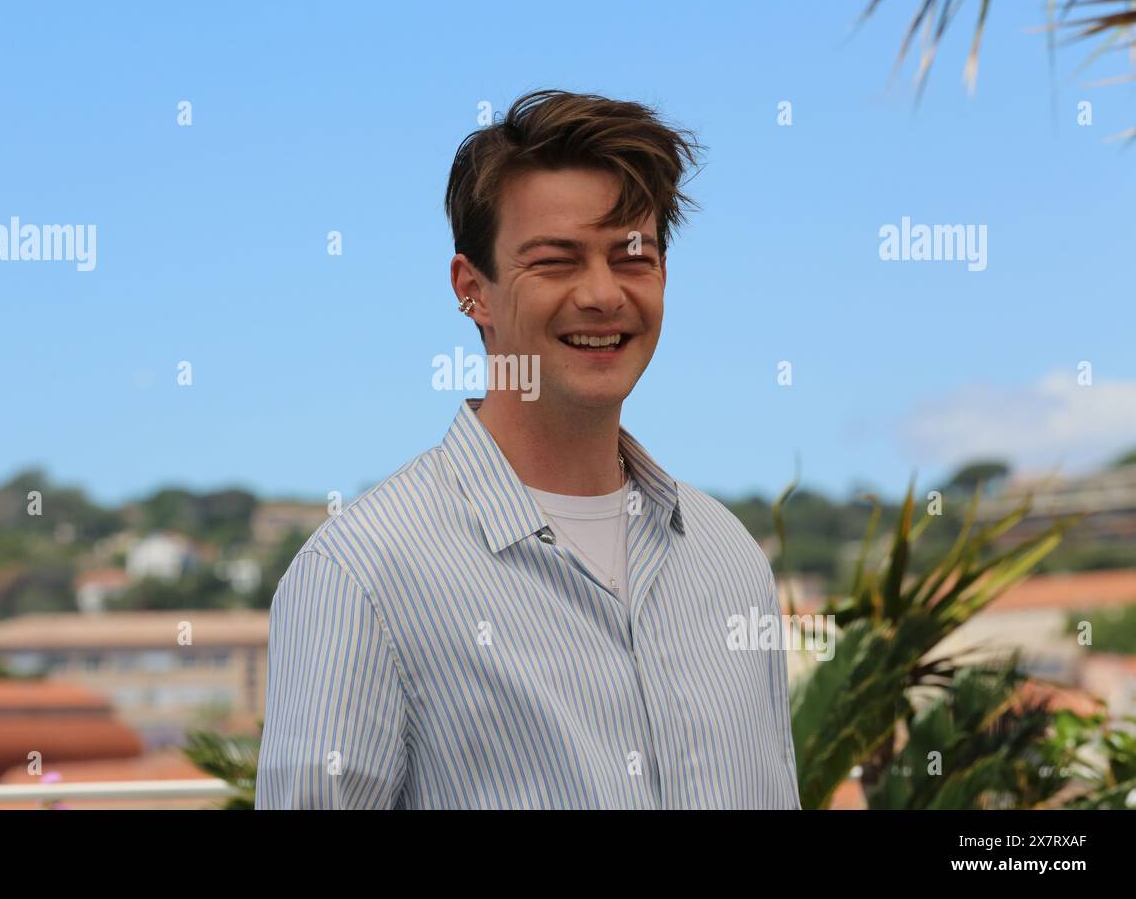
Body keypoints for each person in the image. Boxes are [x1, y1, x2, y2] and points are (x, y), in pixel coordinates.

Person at [255, 89, 800, 809]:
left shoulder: (729, 559)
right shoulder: (360, 580)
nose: (603, 294)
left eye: (631, 258)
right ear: (471, 289)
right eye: (556, 262)